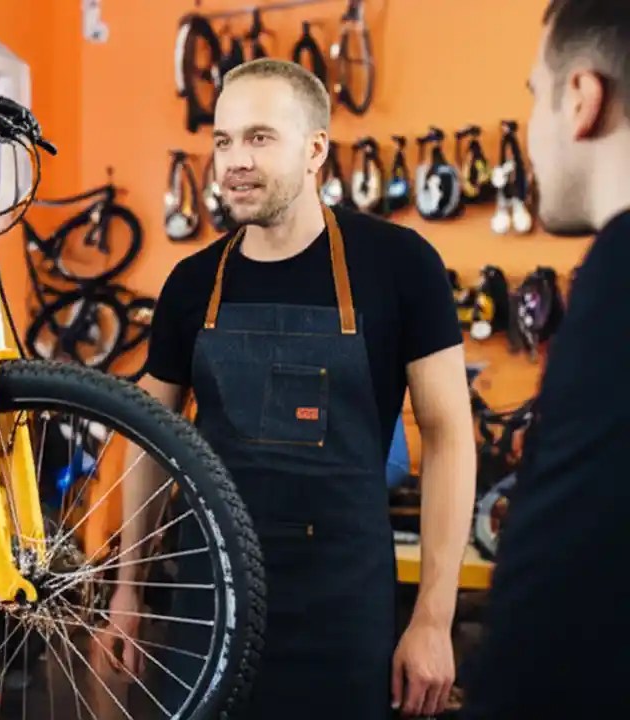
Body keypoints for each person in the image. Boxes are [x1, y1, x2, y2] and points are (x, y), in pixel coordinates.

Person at [100, 58, 477, 719]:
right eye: (223, 141)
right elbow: (146, 442)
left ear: (315, 151)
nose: (234, 160)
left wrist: (433, 619)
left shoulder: (401, 265)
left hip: (342, 609)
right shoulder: (192, 284)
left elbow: (449, 438)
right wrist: (126, 589)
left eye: (260, 138)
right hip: (208, 604)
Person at [461, 2, 630, 718]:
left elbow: (558, 601)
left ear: (582, 99)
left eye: (535, 94)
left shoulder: (618, 282)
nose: (532, 131)